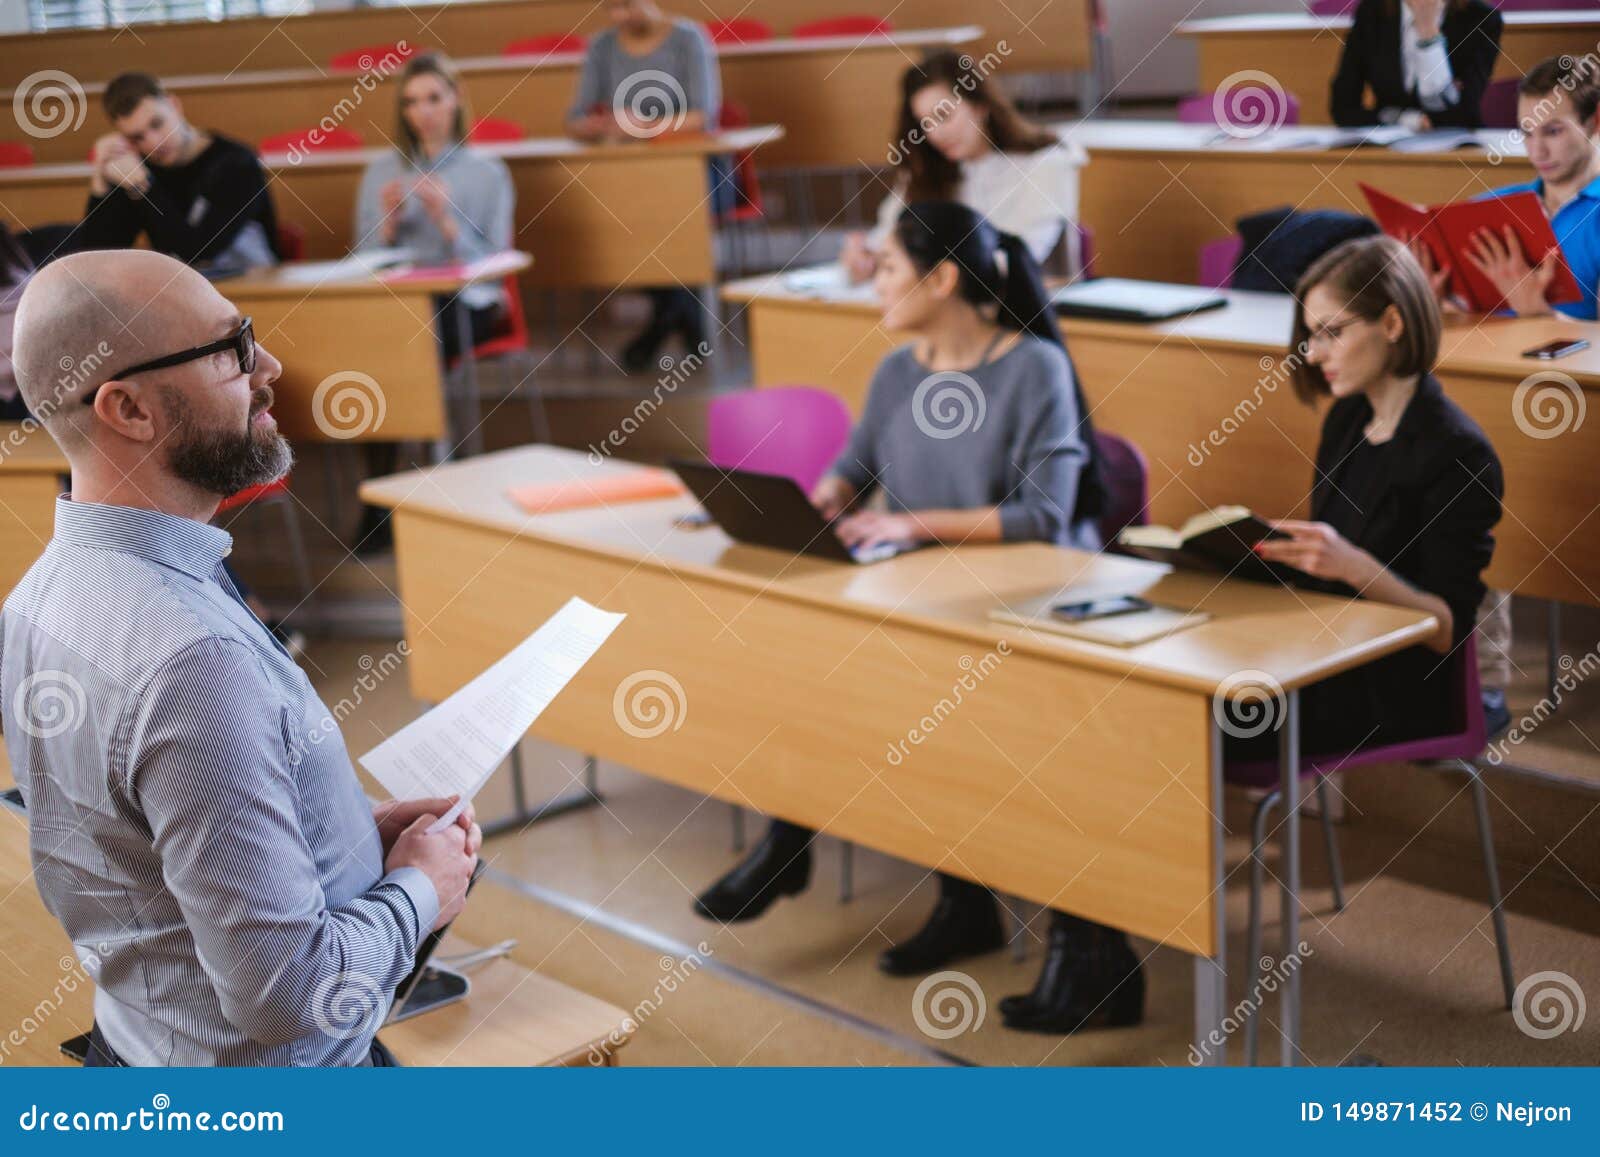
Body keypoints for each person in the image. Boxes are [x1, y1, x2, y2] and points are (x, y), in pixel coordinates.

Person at [0, 249, 482, 1065]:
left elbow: (139, 845)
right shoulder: (194, 660)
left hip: (135, 1045)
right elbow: (287, 995)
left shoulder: (36, 597)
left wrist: (339, 839)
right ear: (129, 409)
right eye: (232, 349)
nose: (269, 366)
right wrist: (419, 889)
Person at [693, 201, 1122, 1014]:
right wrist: (826, 496)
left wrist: (909, 521)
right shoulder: (897, 371)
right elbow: (854, 465)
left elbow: (1042, 514)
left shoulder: (1034, 369)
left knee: (931, 703)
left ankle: (808, 849)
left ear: (942, 277)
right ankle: (911, 883)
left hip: (1027, 611)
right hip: (932, 603)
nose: (872, 278)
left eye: (886, 265)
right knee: (830, 677)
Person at [351, 51, 515, 551]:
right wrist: (389, 225)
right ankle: (380, 497)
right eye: (411, 102)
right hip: (400, 301)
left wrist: (448, 222)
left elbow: (498, 259)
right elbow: (364, 256)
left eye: (433, 99)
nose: (422, 111)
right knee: (374, 349)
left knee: (415, 339)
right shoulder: (382, 170)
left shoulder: (488, 172)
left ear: (456, 99)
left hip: (469, 301)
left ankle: (418, 491)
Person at [566, 0, 723, 371]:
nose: (621, 17)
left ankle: (663, 322)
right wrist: (597, 126)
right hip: (627, 176)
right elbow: (575, 117)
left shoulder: (688, 38)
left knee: (665, 221)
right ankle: (680, 314)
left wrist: (645, 126)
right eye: (612, 9)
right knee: (614, 225)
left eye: (627, 6)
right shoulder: (602, 46)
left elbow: (703, 114)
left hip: (695, 173)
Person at [841, 51, 1087, 284]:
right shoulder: (927, 171)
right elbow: (886, 238)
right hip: (945, 310)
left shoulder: (1047, 164)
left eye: (944, 116)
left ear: (980, 106)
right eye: (925, 124)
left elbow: (1016, 260)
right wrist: (865, 257)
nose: (935, 134)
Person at [73, 72, 280, 276]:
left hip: (252, 290)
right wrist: (99, 180)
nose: (153, 143)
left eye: (157, 124)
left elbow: (196, 253)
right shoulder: (140, 169)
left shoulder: (237, 163)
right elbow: (95, 258)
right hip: (181, 296)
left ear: (174, 106)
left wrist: (144, 187)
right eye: (137, 137)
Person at [1442, 55, 1600, 322]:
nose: (1537, 151)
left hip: (1553, 364)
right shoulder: (1490, 206)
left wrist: (1542, 317)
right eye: (1527, 132)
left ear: (1594, 121)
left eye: (1553, 131)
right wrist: (1435, 302)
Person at [1330, 0, 1503, 130]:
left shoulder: (1483, 19)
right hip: (1389, 153)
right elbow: (1343, 108)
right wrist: (1405, 119)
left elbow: (1464, 114)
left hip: (1458, 155)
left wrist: (1428, 32)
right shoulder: (1372, 12)